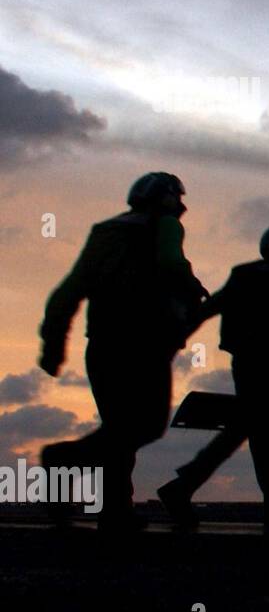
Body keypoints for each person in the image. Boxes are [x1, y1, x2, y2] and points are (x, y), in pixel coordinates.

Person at [39, 172, 207, 529]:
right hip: (143, 344)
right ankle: (64, 458)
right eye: (177, 198)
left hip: (101, 347)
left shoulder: (105, 231)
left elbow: (70, 289)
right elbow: (170, 264)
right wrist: (192, 287)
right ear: (165, 199)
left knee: (118, 429)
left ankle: (115, 511)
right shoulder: (164, 226)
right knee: (145, 425)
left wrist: (53, 343)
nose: (181, 206)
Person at [158, 224, 269, 529]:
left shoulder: (241, 274)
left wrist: (179, 335)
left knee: (258, 430)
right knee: (247, 430)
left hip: (243, 363)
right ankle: (181, 488)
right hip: (268, 363)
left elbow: (211, 307)